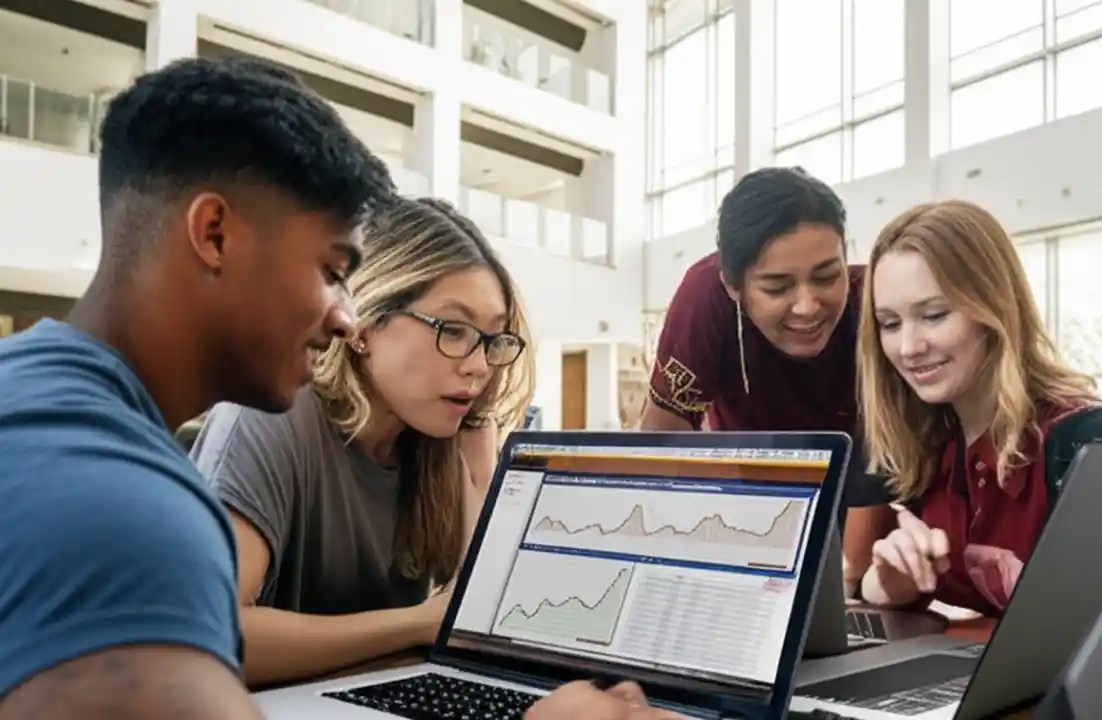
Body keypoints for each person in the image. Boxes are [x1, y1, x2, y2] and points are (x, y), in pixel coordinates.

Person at [0, 55, 674, 720]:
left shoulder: (47, 413)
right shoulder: (116, 502)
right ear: (215, 235)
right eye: (331, 269)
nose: (343, 315)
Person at [189, 195, 535, 687]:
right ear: (365, 325)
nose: (479, 365)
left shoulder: (433, 440)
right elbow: (209, 632)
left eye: (492, 338)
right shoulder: (269, 415)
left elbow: (478, 625)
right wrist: (414, 624)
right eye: (453, 330)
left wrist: (480, 471)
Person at [856, 199, 1102, 617]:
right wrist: (891, 579)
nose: (908, 348)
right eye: (890, 323)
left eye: (934, 315)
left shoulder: (1089, 441)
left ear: (994, 308)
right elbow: (874, 583)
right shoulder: (925, 446)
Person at [640, 166, 893, 587]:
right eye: (777, 288)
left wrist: (859, 580)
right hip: (748, 487)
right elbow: (658, 447)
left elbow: (889, 463)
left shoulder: (872, 297)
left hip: (861, 475)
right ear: (733, 285)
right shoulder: (706, 299)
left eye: (828, 276)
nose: (808, 307)